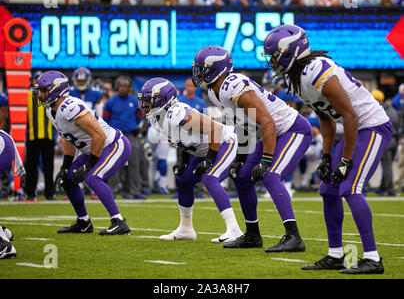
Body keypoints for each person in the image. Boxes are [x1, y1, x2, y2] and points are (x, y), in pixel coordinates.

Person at [263, 24, 392, 274]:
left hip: (372, 125)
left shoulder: (317, 68)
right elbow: (325, 118)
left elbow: (350, 116)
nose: (273, 62)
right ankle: (335, 255)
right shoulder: (298, 78)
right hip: (355, 127)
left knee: (350, 188)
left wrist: (344, 161)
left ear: (291, 51)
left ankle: (373, 258)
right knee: (328, 189)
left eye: (275, 55)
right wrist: (325, 155)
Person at [192, 46, 313, 251]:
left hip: (291, 129)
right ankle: (252, 235)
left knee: (270, 175)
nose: (197, 73)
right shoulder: (215, 92)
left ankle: (294, 236)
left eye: (201, 69)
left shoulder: (233, 85)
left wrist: (265, 160)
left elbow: (267, 122)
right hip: (269, 132)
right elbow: (243, 123)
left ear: (215, 70)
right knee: (241, 176)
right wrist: (240, 157)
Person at [138, 77, 244, 243]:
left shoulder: (177, 112)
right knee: (183, 180)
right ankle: (186, 229)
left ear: (163, 100)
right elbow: (184, 142)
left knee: (210, 179)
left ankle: (234, 230)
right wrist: (182, 161)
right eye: (143, 101)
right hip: (205, 148)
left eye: (148, 101)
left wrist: (209, 160)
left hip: (227, 140)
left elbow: (214, 130)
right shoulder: (158, 119)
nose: (144, 105)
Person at [34, 71, 131, 235]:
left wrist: (88, 165)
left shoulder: (70, 107)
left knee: (92, 177)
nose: (40, 94)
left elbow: (99, 135)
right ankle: (83, 222)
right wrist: (65, 166)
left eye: (44, 90)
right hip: (95, 148)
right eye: (40, 90)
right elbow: (68, 139)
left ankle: (119, 221)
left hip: (113, 144)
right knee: (67, 179)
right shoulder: (51, 111)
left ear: (57, 90)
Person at [103, 76, 148, 199]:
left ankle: (135, 191)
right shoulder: (110, 102)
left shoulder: (134, 101)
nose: (123, 88)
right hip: (115, 136)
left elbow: (139, 117)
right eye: (121, 86)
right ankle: (114, 191)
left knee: (134, 164)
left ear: (129, 88)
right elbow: (105, 120)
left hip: (131, 135)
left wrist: (134, 127)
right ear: (117, 87)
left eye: (126, 86)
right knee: (114, 164)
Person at [70, 67, 103, 200]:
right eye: (79, 80)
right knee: (74, 161)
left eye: (83, 80)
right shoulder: (70, 92)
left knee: (92, 160)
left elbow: (99, 115)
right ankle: (76, 188)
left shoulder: (96, 94)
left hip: (91, 132)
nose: (81, 82)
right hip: (74, 131)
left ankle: (92, 188)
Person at [24, 71, 56, 201]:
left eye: (40, 79)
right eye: (36, 79)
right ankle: (30, 193)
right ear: (32, 81)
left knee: (49, 168)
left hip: (48, 137)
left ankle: (50, 193)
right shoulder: (27, 95)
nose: (38, 81)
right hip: (32, 137)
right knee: (30, 167)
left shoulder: (51, 95)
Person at [0, 91, 12, 198]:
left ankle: (5, 190)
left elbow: (2, 118)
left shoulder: (2, 98)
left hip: (2, 134)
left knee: (3, 162)